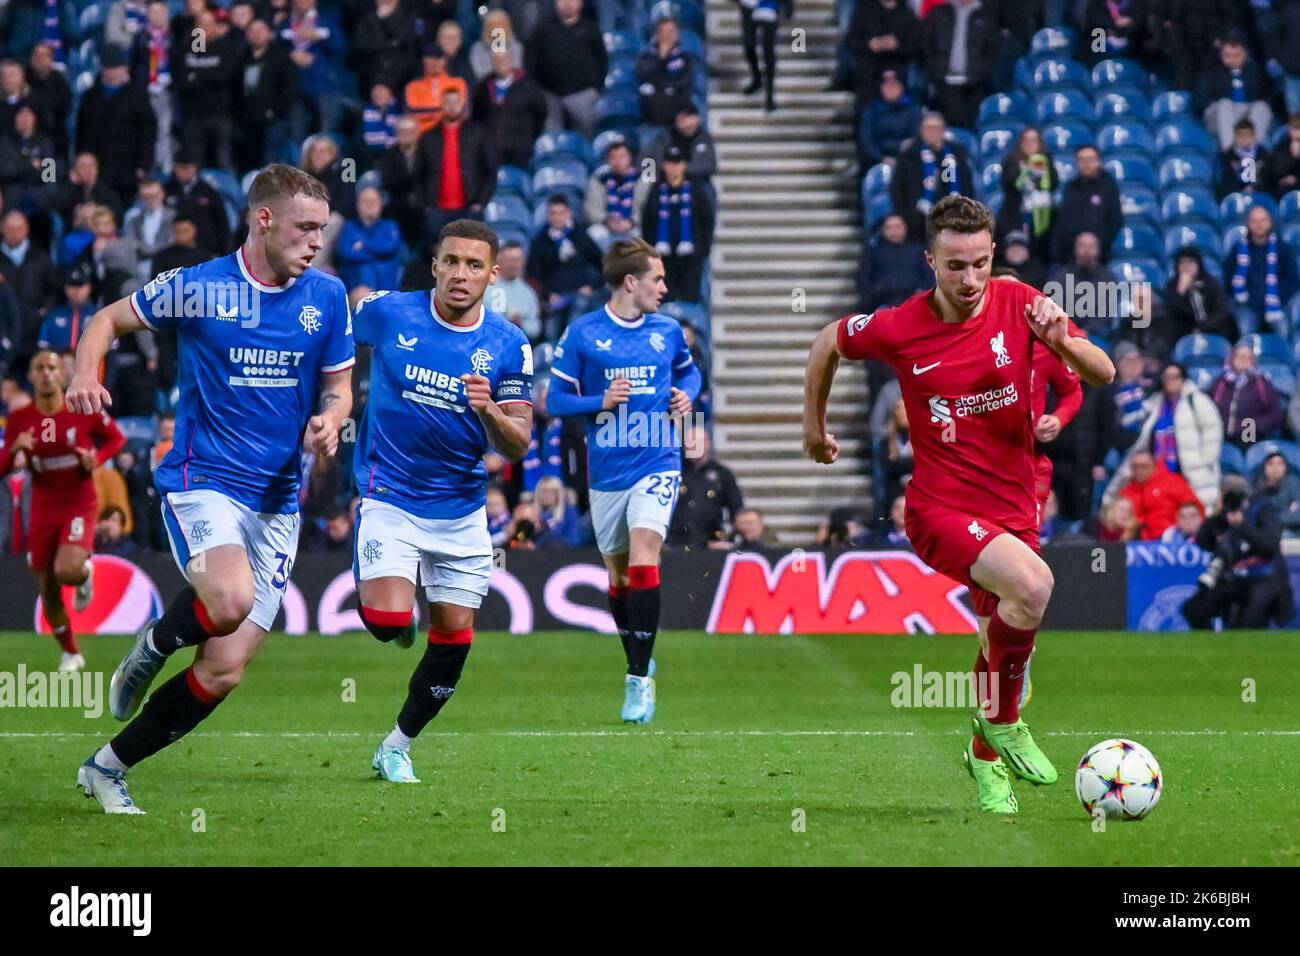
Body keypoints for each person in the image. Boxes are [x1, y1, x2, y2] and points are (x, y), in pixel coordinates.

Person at [803, 194, 1115, 815]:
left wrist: (1065, 342)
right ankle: (1000, 727)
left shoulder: (1022, 303)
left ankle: (985, 750)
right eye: (954, 266)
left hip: (1014, 508)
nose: (969, 279)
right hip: (939, 509)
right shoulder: (900, 326)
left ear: (993, 254)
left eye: (978, 263)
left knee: (1003, 659)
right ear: (930, 260)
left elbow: (1102, 371)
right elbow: (825, 342)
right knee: (1034, 587)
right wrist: (813, 427)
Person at [68, 164, 355, 814]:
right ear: (264, 219)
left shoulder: (329, 297)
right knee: (227, 600)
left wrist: (332, 418)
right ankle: (156, 643)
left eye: (323, 229)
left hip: (279, 500)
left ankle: (108, 766)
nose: (316, 241)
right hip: (205, 481)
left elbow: (339, 383)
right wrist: (86, 372)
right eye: (306, 228)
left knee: (224, 668)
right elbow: (106, 321)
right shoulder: (199, 289)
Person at [350, 220, 532, 783]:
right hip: (390, 495)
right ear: (434, 265)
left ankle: (397, 746)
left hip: (459, 509)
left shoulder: (507, 344)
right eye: (451, 261)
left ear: (493, 275)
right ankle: (398, 617)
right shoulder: (389, 313)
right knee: (385, 620)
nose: (460, 274)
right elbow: (329, 342)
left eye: (474, 265)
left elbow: (519, 441)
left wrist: (490, 411)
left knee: (454, 637)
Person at [546, 238, 701, 723]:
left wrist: (685, 397)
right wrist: (599, 402)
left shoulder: (668, 330)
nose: (665, 287)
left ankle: (638, 680)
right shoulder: (583, 335)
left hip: (658, 462)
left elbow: (691, 375)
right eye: (657, 278)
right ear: (631, 282)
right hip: (607, 471)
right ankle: (638, 655)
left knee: (642, 558)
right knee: (618, 577)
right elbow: (553, 401)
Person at [0, 350, 126, 672]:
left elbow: (116, 439)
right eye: (39, 368)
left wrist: (94, 459)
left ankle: (85, 573)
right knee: (48, 588)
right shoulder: (19, 420)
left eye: (51, 368)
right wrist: (14, 449)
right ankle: (71, 652)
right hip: (42, 505)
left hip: (78, 501)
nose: (45, 374)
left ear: (62, 374)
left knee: (67, 570)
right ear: (30, 376)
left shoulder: (82, 410)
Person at [1105, 362, 1223, 513]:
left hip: (1191, 470)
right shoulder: (1155, 403)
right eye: (1167, 377)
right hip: (1161, 470)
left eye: (1175, 377)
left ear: (1183, 379)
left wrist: (1205, 460)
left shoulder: (1197, 400)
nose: (1171, 381)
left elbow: (1212, 430)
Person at [1182, 486, 1291, 628]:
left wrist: (1242, 525)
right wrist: (1217, 515)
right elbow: (1204, 542)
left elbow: (1269, 544)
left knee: (1248, 623)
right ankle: (1209, 646)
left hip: (1263, 577)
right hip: (1234, 578)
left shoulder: (1262, 510)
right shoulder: (1225, 516)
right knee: (1194, 609)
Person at [639, 145, 715, 303]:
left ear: (684, 165)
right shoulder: (656, 190)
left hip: (690, 258)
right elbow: (647, 222)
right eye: (670, 163)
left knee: (690, 299)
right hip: (663, 259)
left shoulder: (696, 190)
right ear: (664, 165)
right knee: (663, 300)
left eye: (678, 163)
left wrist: (702, 250)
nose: (673, 168)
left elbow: (707, 221)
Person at [889, 112, 975, 243]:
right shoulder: (909, 154)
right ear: (921, 130)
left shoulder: (956, 152)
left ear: (944, 130)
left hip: (952, 216)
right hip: (917, 221)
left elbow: (967, 184)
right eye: (928, 128)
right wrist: (902, 216)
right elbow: (897, 188)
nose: (933, 132)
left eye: (937, 128)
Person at [1225, 204, 1298, 334]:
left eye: (1263, 220)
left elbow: (1292, 280)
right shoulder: (1237, 249)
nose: (1259, 225)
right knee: (1244, 331)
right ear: (1247, 223)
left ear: (1270, 222)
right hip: (1247, 306)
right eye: (1254, 221)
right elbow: (1229, 278)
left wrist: (1279, 298)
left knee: (1283, 332)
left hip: (1277, 304)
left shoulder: (1283, 249)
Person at [668, 426, 743, 548]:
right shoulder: (673, 472)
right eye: (691, 442)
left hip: (710, 545)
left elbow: (736, 509)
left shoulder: (722, 474)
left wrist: (728, 539)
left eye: (700, 442)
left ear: (708, 444)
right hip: (674, 544)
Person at [1051, 145, 1122, 263]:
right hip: (1071, 257)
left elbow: (1115, 220)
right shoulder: (1071, 187)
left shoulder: (1108, 186)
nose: (1086, 163)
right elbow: (1064, 221)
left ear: (1098, 161)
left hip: (1100, 257)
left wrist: (1096, 244)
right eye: (1082, 160)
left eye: (1090, 159)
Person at [1160, 246, 1238, 348]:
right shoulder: (1172, 286)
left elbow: (1221, 310)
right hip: (1184, 331)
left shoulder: (1211, 283)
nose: (1186, 267)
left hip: (1212, 328)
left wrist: (1203, 328)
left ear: (1198, 265)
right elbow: (1170, 313)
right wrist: (1180, 292)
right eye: (1182, 263)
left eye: (1191, 262)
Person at [1117, 449, 1204, 540]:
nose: (1139, 470)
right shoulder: (1127, 491)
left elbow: (1196, 507)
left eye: (1144, 466)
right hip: (1138, 539)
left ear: (1154, 465)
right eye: (1135, 467)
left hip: (1171, 537)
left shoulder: (1172, 482)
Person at [1209, 344, 1284, 448]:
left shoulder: (1262, 383)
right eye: (1239, 356)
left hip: (1249, 436)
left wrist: (1255, 426)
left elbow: (1276, 414)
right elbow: (1208, 406)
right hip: (1221, 434)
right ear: (1232, 359)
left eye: (1247, 357)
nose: (1243, 360)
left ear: (1253, 362)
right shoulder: (1220, 382)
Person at [732, 0, 792, 113]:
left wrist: (788, 5)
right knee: (749, 46)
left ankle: (770, 97)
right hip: (749, 7)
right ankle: (757, 79)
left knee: (768, 51)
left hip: (771, 6)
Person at [636, 16, 694, 127]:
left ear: (678, 34)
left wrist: (664, 87)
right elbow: (643, 75)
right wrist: (662, 59)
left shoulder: (685, 57)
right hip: (653, 106)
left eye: (671, 31)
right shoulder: (647, 56)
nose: (667, 35)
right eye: (663, 31)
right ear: (657, 35)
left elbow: (685, 82)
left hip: (676, 103)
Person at [1254, 451, 1300, 538]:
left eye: (1280, 464)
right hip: (1263, 535)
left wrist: (1271, 519)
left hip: (1290, 533)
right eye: (1270, 464)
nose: (1275, 468)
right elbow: (1253, 516)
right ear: (1264, 468)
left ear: (1286, 467)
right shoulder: (1256, 485)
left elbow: (1298, 516)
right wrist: (1287, 513)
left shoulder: (1293, 482)